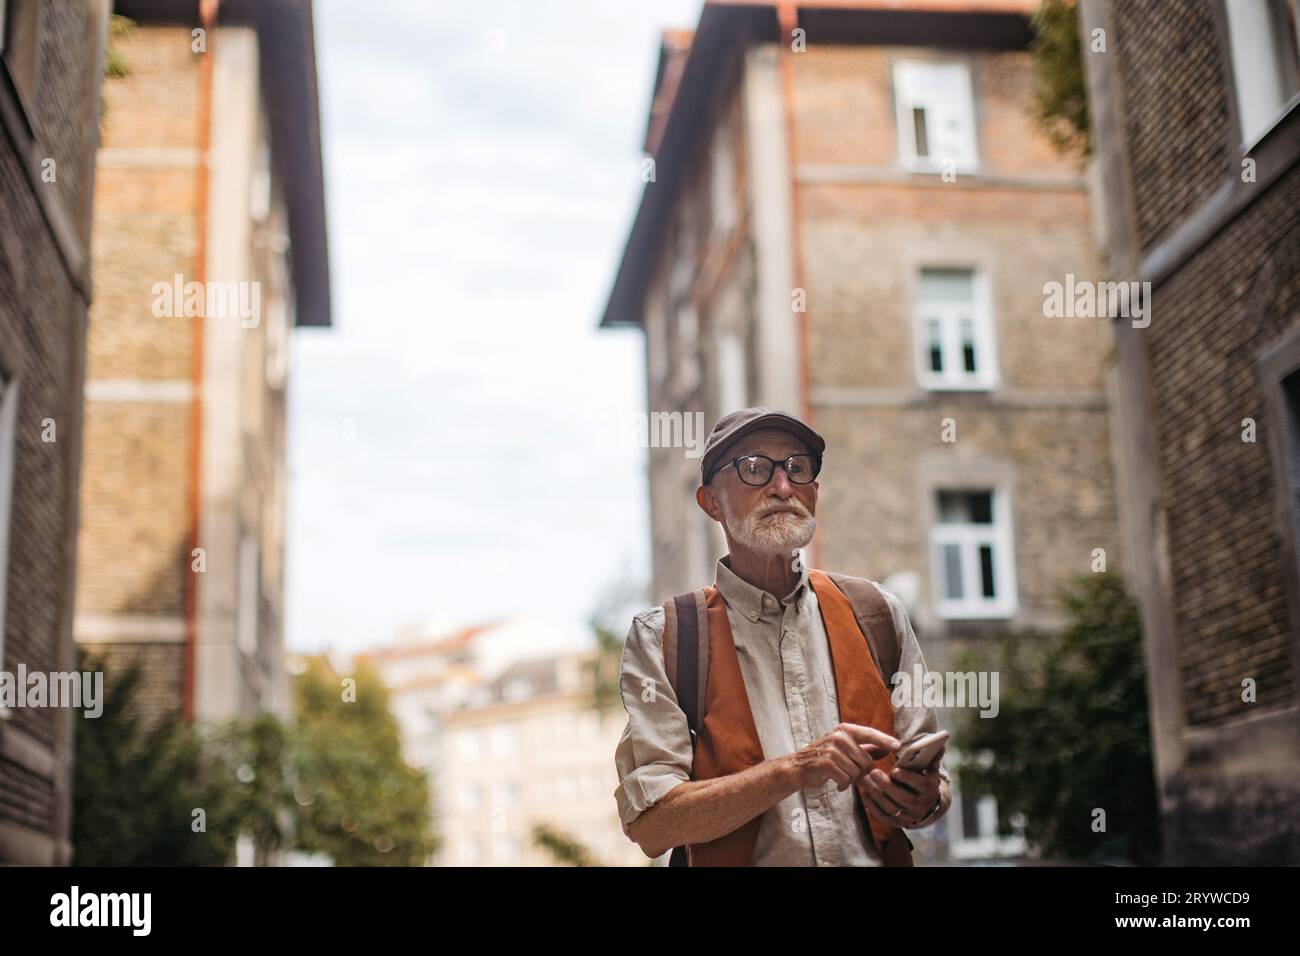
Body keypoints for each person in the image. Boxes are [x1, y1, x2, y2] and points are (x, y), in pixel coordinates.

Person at [613, 407, 952, 865]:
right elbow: (653, 823)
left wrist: (922, 799)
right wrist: (794, 770)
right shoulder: (664, 638)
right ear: (711, 501)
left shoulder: (875, 611)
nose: (782, 486)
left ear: (814, 492)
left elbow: (936, 791)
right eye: (754, 468)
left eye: (798, 468)